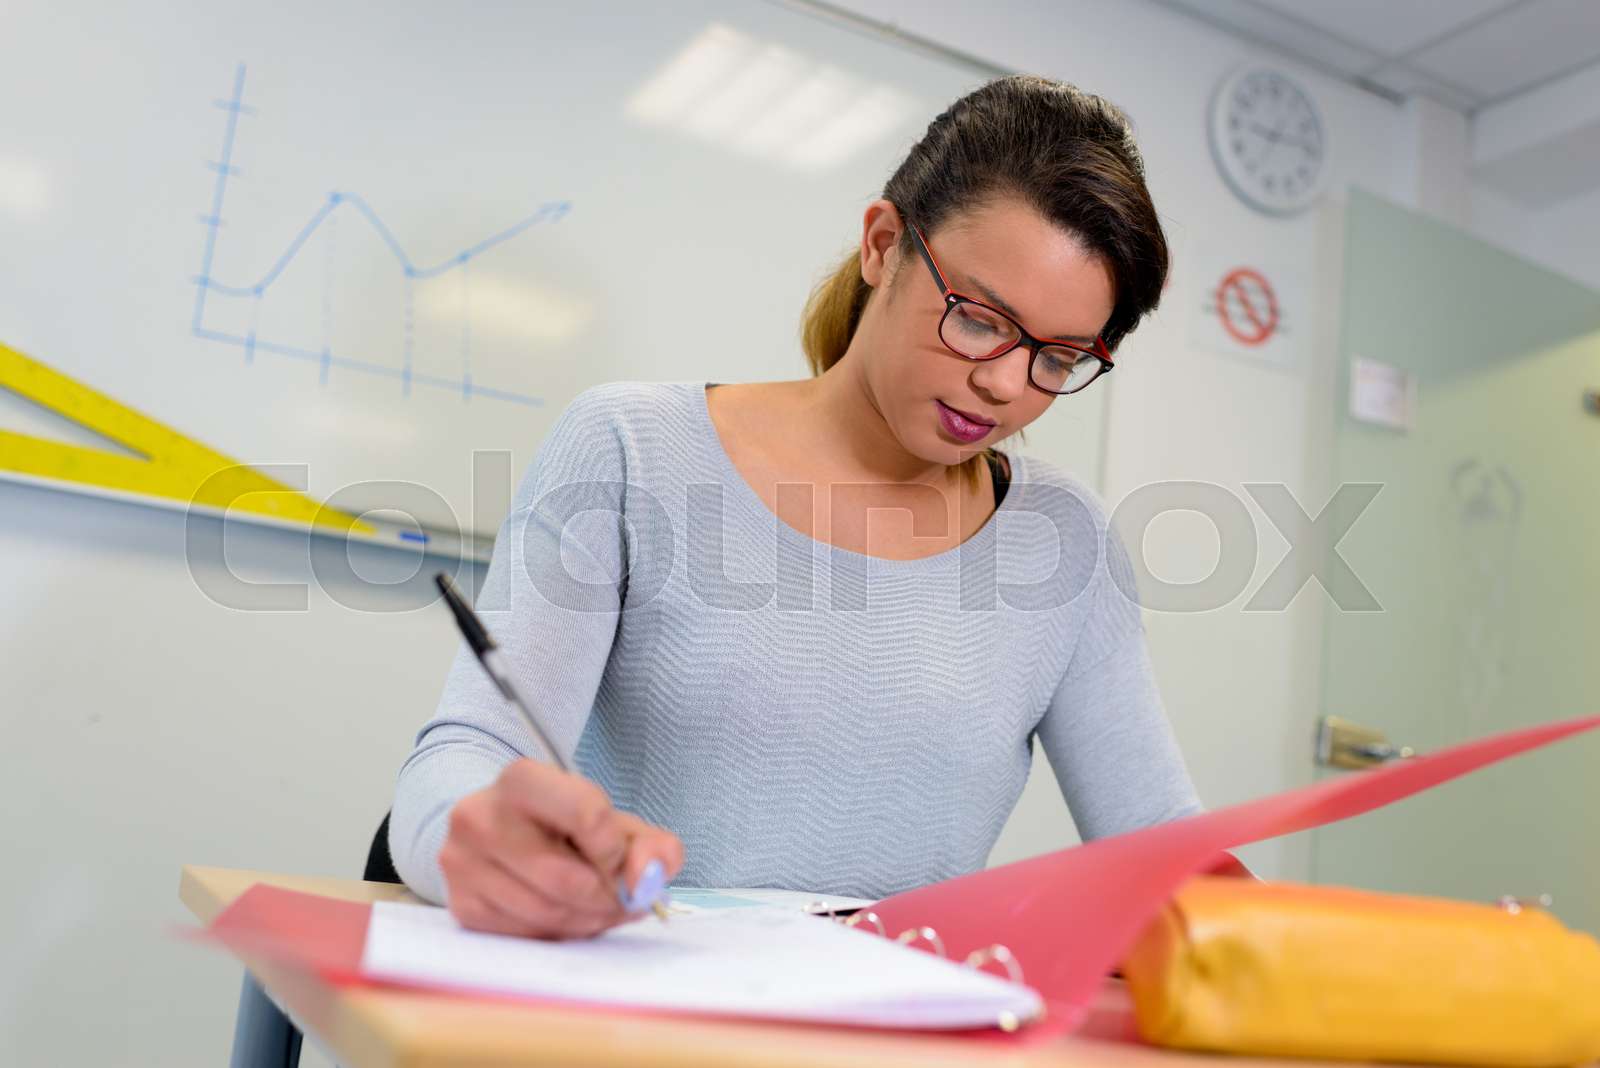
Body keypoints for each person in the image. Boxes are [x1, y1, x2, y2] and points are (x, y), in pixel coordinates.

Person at [389, 74, 1204, 940]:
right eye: (979, 319)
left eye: (1060, 357)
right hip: (633, 1007)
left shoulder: (1062, 542)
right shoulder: (632, 447)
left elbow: (1161, 849)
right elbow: (468, 757)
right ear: (884, 245)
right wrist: (470, 837)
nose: (1004, 383)